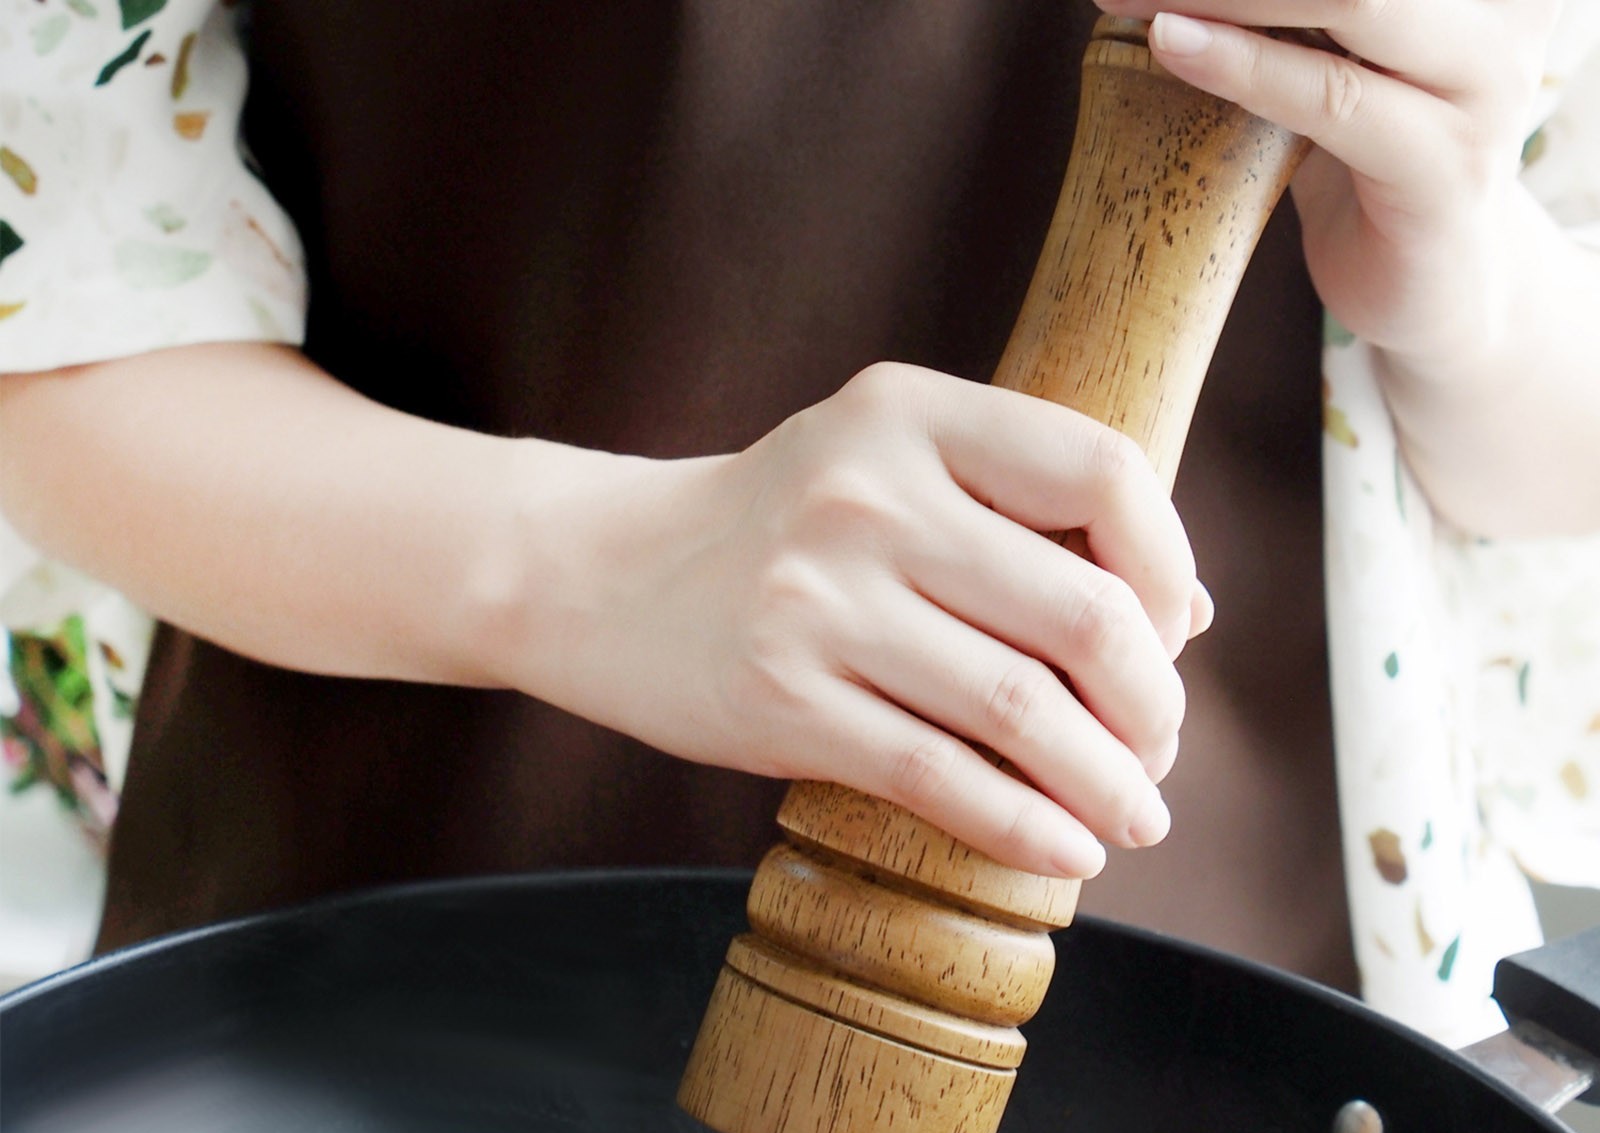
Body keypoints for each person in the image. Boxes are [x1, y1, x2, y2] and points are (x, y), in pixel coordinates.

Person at [0, 0, 1596, 1044]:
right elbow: (46, 285)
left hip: (1268, 1025)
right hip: (377, 966)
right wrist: (600, 565)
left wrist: (1468, 287)